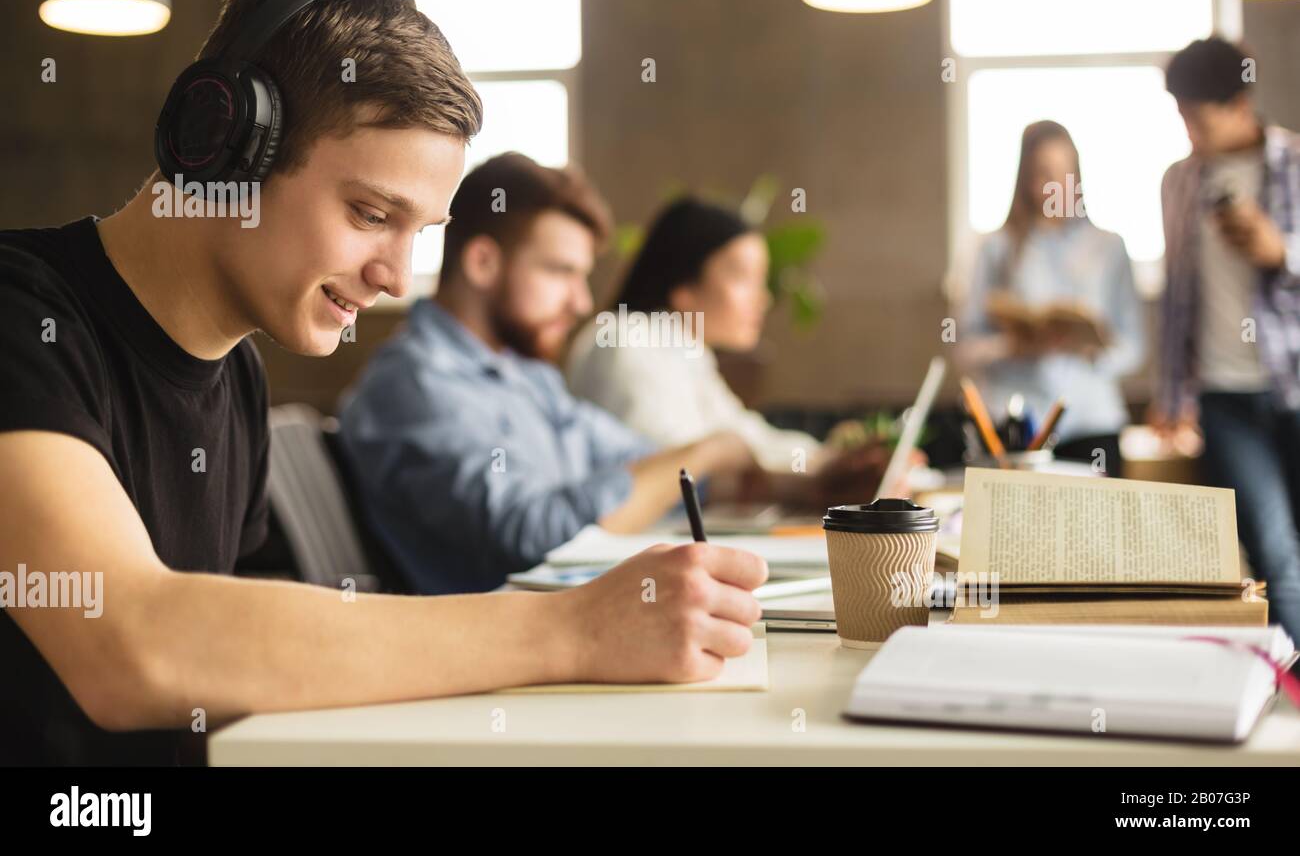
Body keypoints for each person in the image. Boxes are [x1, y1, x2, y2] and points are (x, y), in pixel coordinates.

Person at [0, 0, 765, 766]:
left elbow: (243, 659)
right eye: (371, 214)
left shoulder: (237, 377)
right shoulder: (22, 317)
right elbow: (132, 644)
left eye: (420, 233)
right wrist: (576, 627)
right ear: (220, 146)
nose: (397, 277)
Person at [337, 156, 755, 594]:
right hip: (498, 645)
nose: (580, 302)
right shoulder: (416, 383)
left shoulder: (527, 374)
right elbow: (537, 538)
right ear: (483, 262)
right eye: (561, 272)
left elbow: (633, 459)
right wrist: (708, 452)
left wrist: (778, 478)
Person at [565, 196, 908, 508]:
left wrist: (829, 457)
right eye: (745, 278)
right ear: (683, 285)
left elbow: (749, 435)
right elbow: (675, 467)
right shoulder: (626, 339)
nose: (764, 299)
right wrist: (808, 476)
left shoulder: (684, 350)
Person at [1154, 36, 1300, 651]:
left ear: (1240, 103)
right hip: (1222, 397)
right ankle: (1288, 688)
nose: (1189, 132)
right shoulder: (1180, 182)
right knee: (1272, 548)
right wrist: (1169, 397)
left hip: (1291, 384)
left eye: (1199, 117)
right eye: (1181, 117)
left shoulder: (1294, 163)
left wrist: (1281, 253)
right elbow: (1176, 297)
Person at [955, 120, 1146, 476]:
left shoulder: (1108, 247)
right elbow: (964, 348)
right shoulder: (996, 249)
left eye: (1065, 173)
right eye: (1044, 173)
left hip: (1091, 422)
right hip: (1017, 426)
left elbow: (1133, 346)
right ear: (1025, 178)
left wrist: (1088, 349)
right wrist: (1016, 346)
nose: (1055, 186)